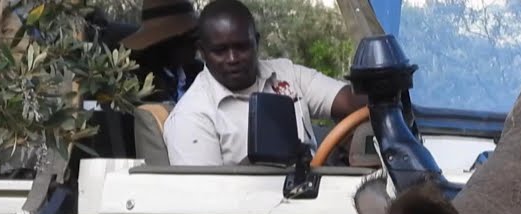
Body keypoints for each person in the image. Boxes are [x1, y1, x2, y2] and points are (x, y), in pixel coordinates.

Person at [162, 0, 367, 166]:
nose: (233, 58)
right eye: (220, 51)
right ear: (202, 51)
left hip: (314, 197)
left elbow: (350, 101)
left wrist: (387, 89)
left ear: (256, 42)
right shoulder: (191, 117)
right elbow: (206, 203)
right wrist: (257, 164)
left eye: (241, 47)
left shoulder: (287, 73)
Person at [120, 0, 203, 105]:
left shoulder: (197, 72)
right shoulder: (138, 82)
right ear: (167, 42)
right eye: (189, 38)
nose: (195, 45)